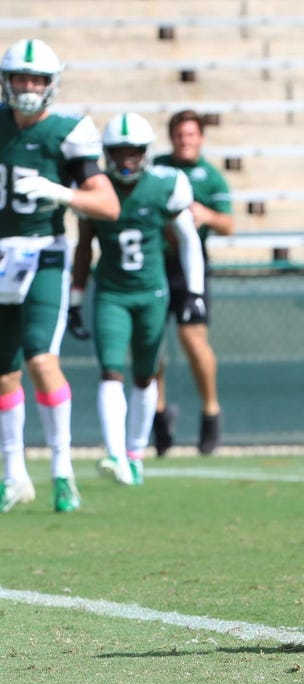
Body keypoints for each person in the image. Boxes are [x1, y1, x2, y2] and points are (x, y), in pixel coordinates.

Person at [0, 38, 119, 513]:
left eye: (37, 79)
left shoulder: (67, 133)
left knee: (40, 359)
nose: (28, 87)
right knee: (3, 373)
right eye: (20, 78)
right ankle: (13, 475)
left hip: (44, 253)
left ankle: (62, 472)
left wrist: (58, 191)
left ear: (51, 85)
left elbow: (107, 204)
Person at [71, 113, 206, 486]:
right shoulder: (96, 188)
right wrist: (75, 299)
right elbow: (84, 248)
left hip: (152, 293)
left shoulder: (165, 184)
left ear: (146, 153)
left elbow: (188, 239)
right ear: (107, 154)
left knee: (145, 376)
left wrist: (194, 291)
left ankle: (134, 452)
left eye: (134, 152)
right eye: (119, 153)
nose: (127, 160)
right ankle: (115, 454)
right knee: (111, 371)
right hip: (111, 293)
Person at [151, 109, 233, 456]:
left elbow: (228, 224)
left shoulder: (210, 177)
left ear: (200, 137)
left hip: (191, 268)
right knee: (150, 342)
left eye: (191, 134)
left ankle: (210, 410)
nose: (185, 141)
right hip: (154, 262)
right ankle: (158, 414)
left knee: (192, 337)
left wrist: (205, 214)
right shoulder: (156, 167)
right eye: (179, 135)